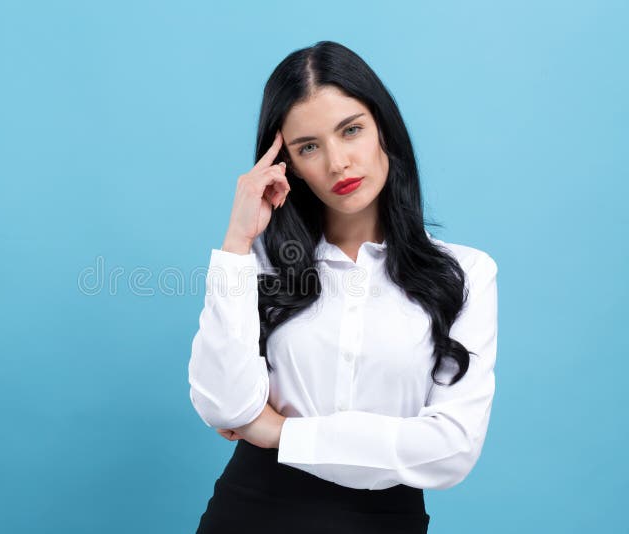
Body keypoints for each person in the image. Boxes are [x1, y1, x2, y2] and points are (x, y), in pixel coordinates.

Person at [188, 40, 498, 534]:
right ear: (286, 163)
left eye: (350, 130)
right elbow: (223, 406)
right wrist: (237, 240)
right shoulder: (261, 262)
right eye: (308, 146)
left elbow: (451, 451)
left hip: (386, 521)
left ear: (383, 131)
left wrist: (279, 432)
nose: (337, 163)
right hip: (250, 512)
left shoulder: (465, 273)